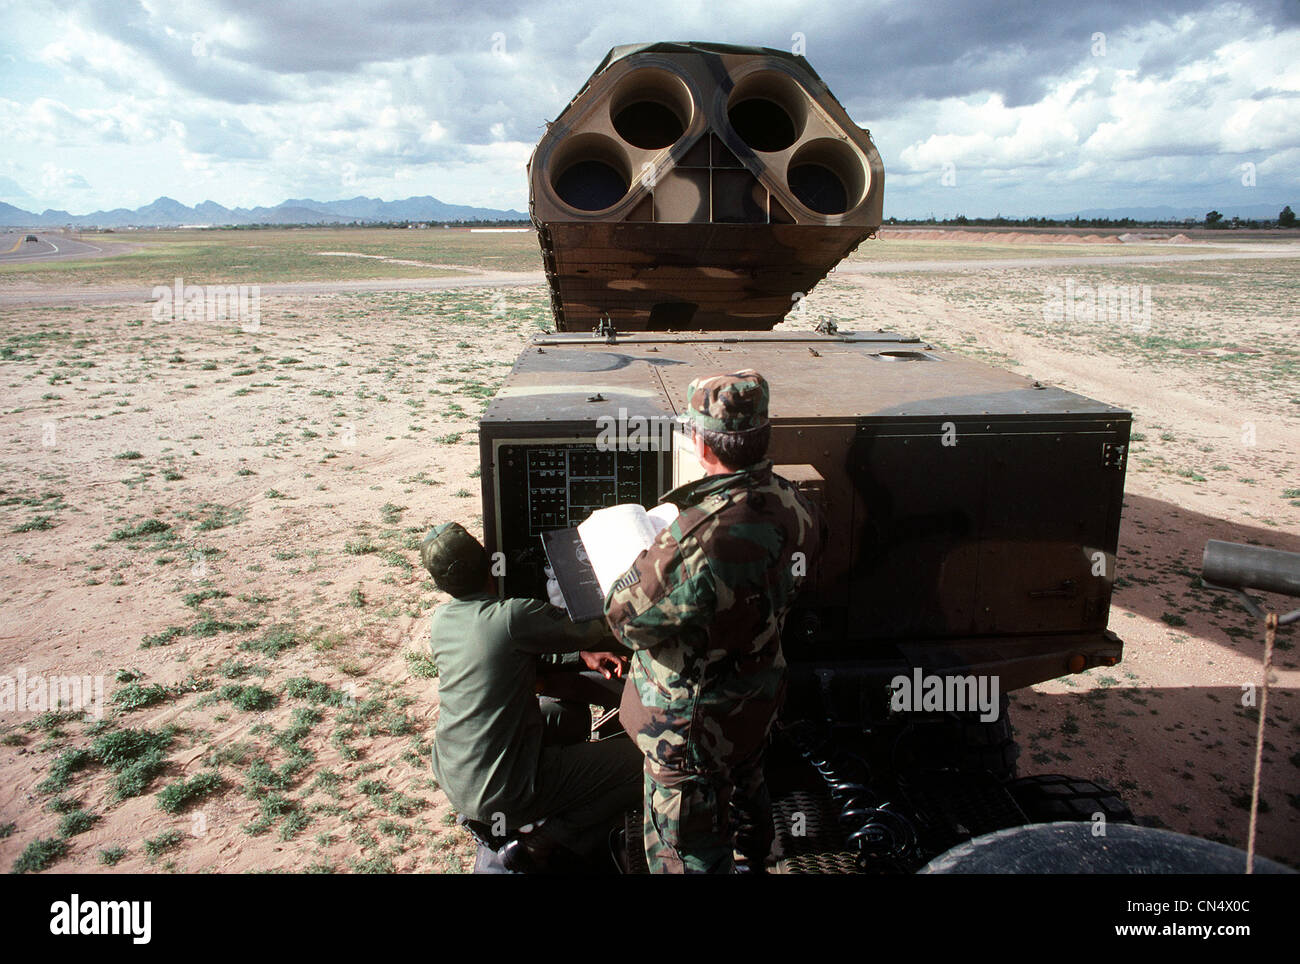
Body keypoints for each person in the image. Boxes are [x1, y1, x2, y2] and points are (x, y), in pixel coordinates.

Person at [603, 370, 825, 873]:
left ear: (702, 444)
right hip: (755, 702)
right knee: (748, 796)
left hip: (689, 729)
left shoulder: (695, 538)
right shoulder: (799, 505)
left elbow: (625, 622)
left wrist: (649, 560)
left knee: (687, 851)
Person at [420, 522, 642, 871]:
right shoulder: (512, 616)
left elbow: (506, 652)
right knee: (643, 762)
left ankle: (530, 815)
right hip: (504, 787)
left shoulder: (442, 621)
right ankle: (551, 836)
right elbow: (596, 626)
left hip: (458, 776)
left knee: (568, 718)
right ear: (489, 565)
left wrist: (580, 657)